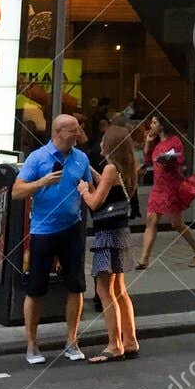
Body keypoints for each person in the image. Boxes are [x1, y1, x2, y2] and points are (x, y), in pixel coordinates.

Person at [12, 114, 92, 365]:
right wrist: (42, 182)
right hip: (43, 230)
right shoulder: (38, 158)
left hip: (72, 228)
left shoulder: (81, 158)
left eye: (78, 130)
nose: (78, 134)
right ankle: (32, 344)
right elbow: (16, 191)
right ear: (58, 132)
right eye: (73, 131)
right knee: (36, 288)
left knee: (76, 285)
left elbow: (88, 188)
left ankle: (71, 340)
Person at [78, 122, 141, 363]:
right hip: (120, 231)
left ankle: (114, 344)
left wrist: (84, 190)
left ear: (111, 145)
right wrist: (93, 173)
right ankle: (130, 340)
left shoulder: (111, 169)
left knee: (103, 289)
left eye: (105, 139)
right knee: (119, 289)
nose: (101, 143)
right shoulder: (123, 168)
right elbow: (109, 189)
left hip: (107, 234)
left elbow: (95, 202)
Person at [136, 117, 195, 270]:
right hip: (158, 187)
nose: (151, 125)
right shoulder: (156, 143)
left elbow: (179, 158)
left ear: (162, 125)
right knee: (151, 221)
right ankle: (144, 259)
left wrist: (167, 159)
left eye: (154, 123)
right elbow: (148, 159)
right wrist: (148, 141)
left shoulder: (174, 140)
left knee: (177, 224)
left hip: (171, 187)